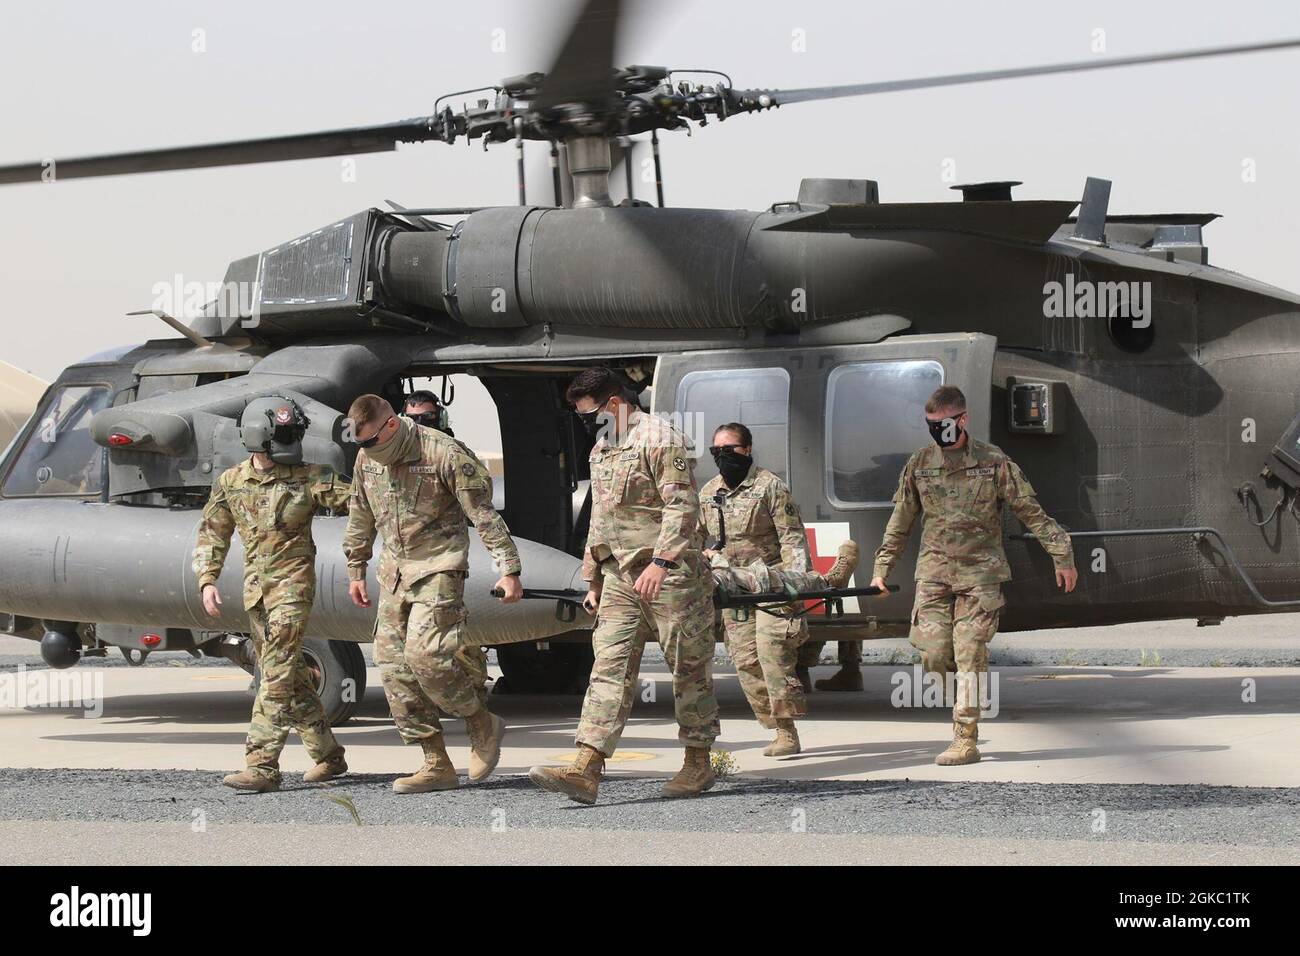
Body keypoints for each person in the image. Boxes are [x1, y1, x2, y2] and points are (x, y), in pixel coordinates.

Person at [528, 368, 719, 805]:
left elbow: (683, 506)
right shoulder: (602, 450)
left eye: (589, 415)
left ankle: (697, 763)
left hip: (670, 577)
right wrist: (592, 576)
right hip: (619, 578)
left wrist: (662, 561)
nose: (585, 425)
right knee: (608, 668)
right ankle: (587, 767)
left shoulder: (660, 437)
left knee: (687, 667)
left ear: (614, 404)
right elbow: (601, 518)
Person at [870, 385, 1077, 765]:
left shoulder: (993, 462)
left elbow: (1031, 511)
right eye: (931, 424)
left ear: (962, 420)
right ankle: (965, 698)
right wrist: (881, 568)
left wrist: (1061, 554)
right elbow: (900, 522)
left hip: (981, 575)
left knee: (969, 653)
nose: (937, 430)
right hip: (933, 572)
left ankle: (965, 737)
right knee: (933, 654)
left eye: (944, 423)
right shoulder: (919, 464)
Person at [341, 394, 523, 793]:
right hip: (395, 574)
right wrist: (356, 566)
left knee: (425, 656)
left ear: (391, 425)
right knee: (392, 666)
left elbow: (484, 514)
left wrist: (509, 568)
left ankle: (481, 723)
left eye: (372, 441)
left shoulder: (442, 452)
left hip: (440, 567)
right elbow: (360, 511)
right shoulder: (366, 458)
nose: (367, 451)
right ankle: (435, 762)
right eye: (361, 445)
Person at [193, 396, 351, 793]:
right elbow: (213, 532)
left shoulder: (312, 477)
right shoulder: (232, 482)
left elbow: (360, 501)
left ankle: (262, 766)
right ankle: (329, 755)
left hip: (292, 591)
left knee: (275, 675)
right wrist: (207, 579)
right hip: (256, 594)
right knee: (294, 676)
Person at [700, 423, 811, 757]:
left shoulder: (770, 487)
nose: (722, 457)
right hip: (735, 591)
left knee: (772, 656)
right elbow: (692, 536)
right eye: (716, 451)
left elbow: (792, 538)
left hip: (771, 586)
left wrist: (795, 586)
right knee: (746, 662)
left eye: (729, 450)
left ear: (747, 450)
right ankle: (776, 729)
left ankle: (788, 729)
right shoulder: (708, 494)